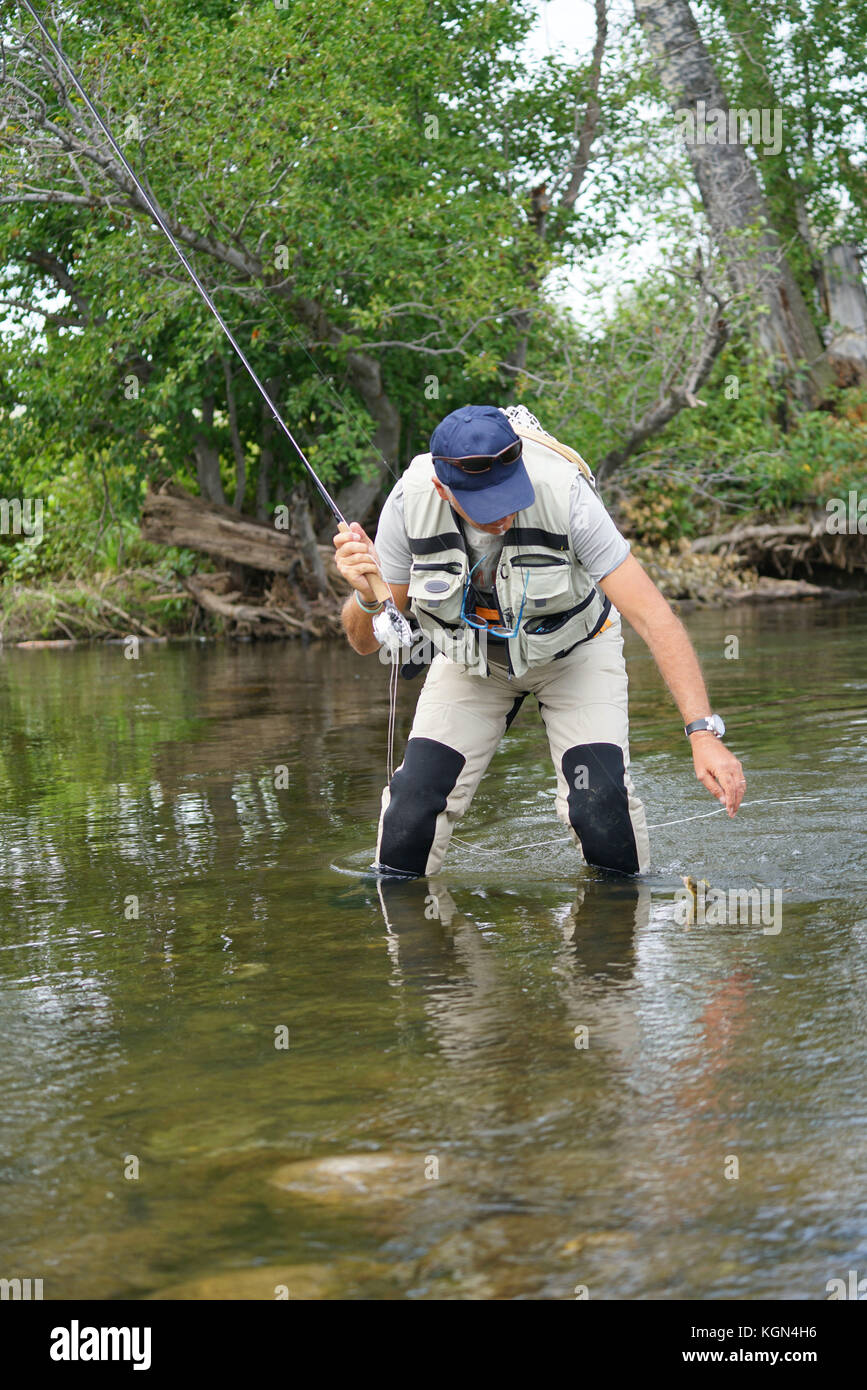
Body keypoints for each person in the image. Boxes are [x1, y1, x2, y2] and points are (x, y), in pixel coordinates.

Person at [334, 403, 745, 878]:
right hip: (471, 664)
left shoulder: (566, 494)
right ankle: (418, 945)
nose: (503, 513)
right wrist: (365, 597)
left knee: (600, 808)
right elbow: (367, 642)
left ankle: (613, 942)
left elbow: (656, 619)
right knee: (409, 820)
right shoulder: (410, 504)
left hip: (576, 653)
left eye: (510, 495)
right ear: (442, 489)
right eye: (485, 505)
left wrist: (703, 733)